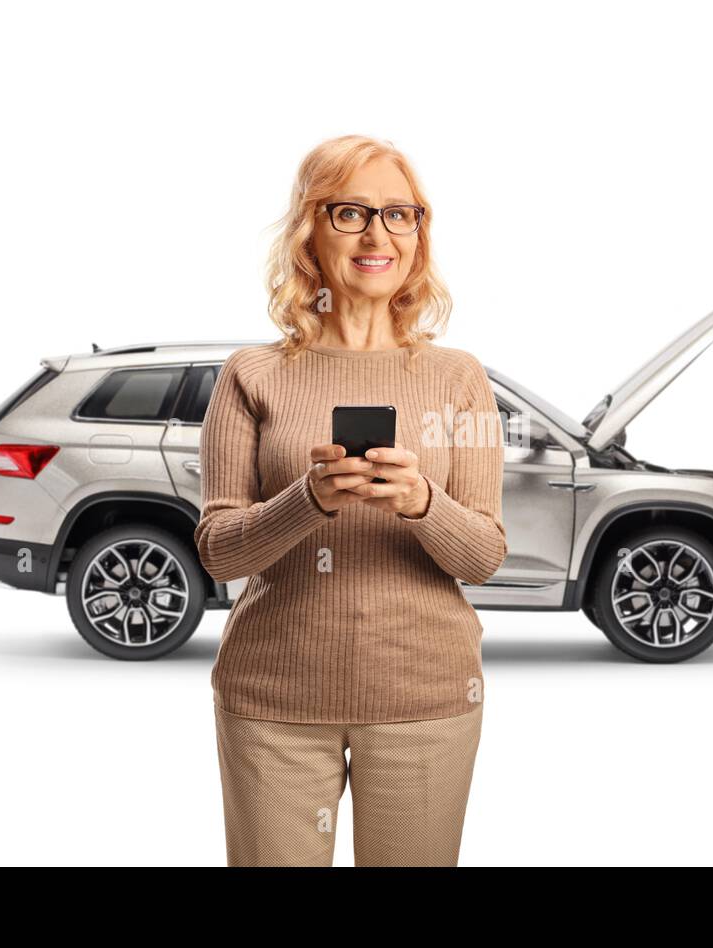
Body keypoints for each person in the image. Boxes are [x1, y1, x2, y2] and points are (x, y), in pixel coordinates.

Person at [194, 135, 507, 865]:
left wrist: (422, 501)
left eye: (401, 214)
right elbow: (216, 549)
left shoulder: (462, 378)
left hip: (424, 698)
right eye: (351, 213)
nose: (379, 235)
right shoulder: (251, 374)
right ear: (311, 228)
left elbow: (488, 553)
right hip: (272, 702)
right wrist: (307, 500)